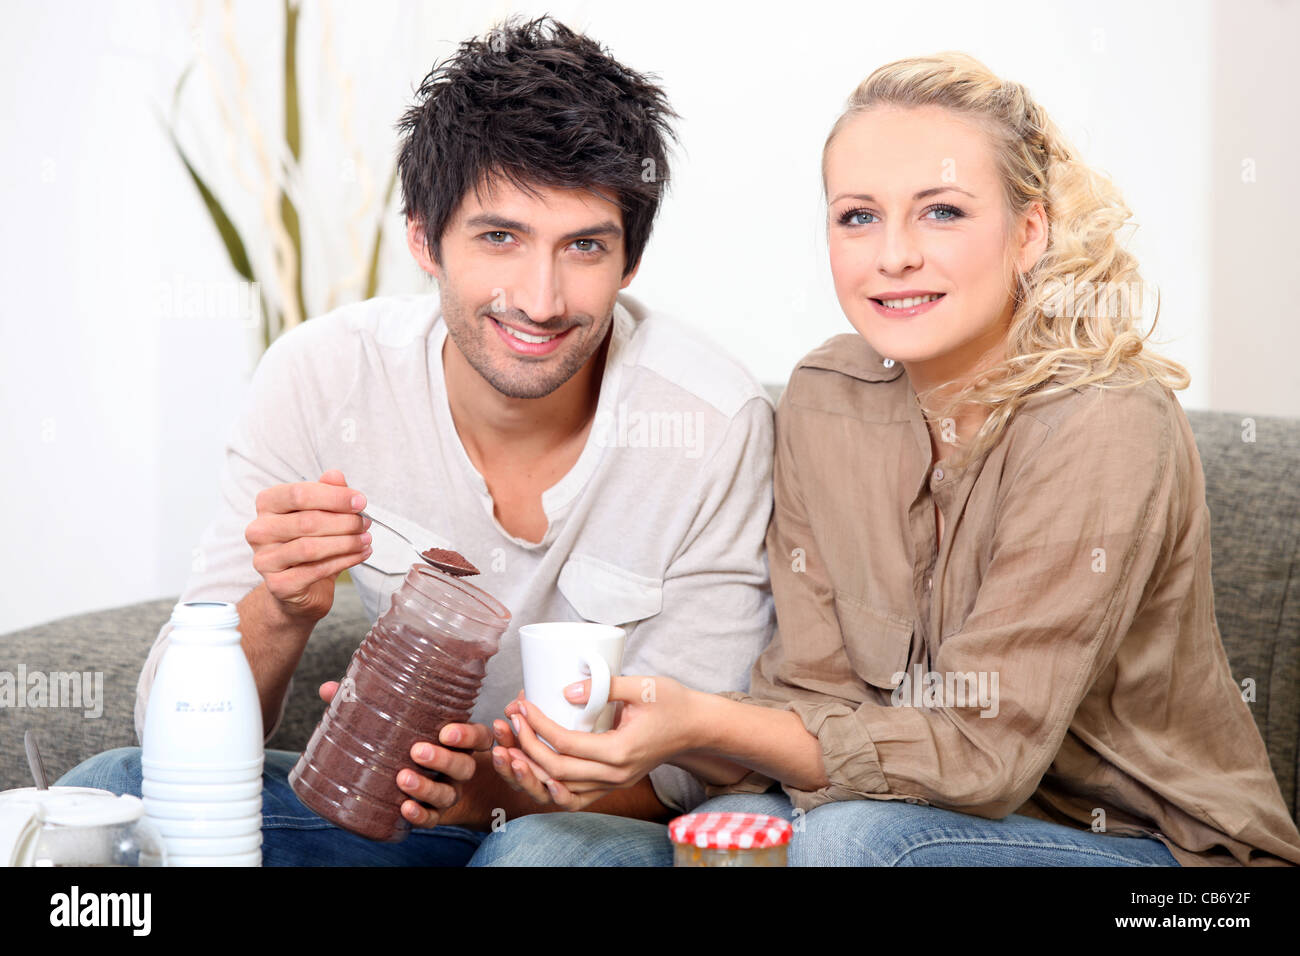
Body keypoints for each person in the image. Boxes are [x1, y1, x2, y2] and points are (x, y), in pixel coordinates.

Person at [471, 52, 1300, 867]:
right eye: (858, 216)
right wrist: (645, 754)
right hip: (865, 807)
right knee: (550, 847)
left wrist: (704, 723)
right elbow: (811, 694)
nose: (893, 255)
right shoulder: (827, 397)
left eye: (941, 212)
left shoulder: (1105, 421)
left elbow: (985, 756)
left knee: (853, 844)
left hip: (1149, 857)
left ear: (1029, 233)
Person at [55, 16, 775, 865]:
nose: (539, 300)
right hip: (396, 814)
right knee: (113, 791)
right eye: (499, 237)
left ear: (630, 264)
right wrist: (283, 608)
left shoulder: (710, 421)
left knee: (540, 854)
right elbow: (172, 727)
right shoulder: (322, 378)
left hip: (589, 832)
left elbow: (708, 773)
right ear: (423, 239)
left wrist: (490, 795)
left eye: (584, 246)